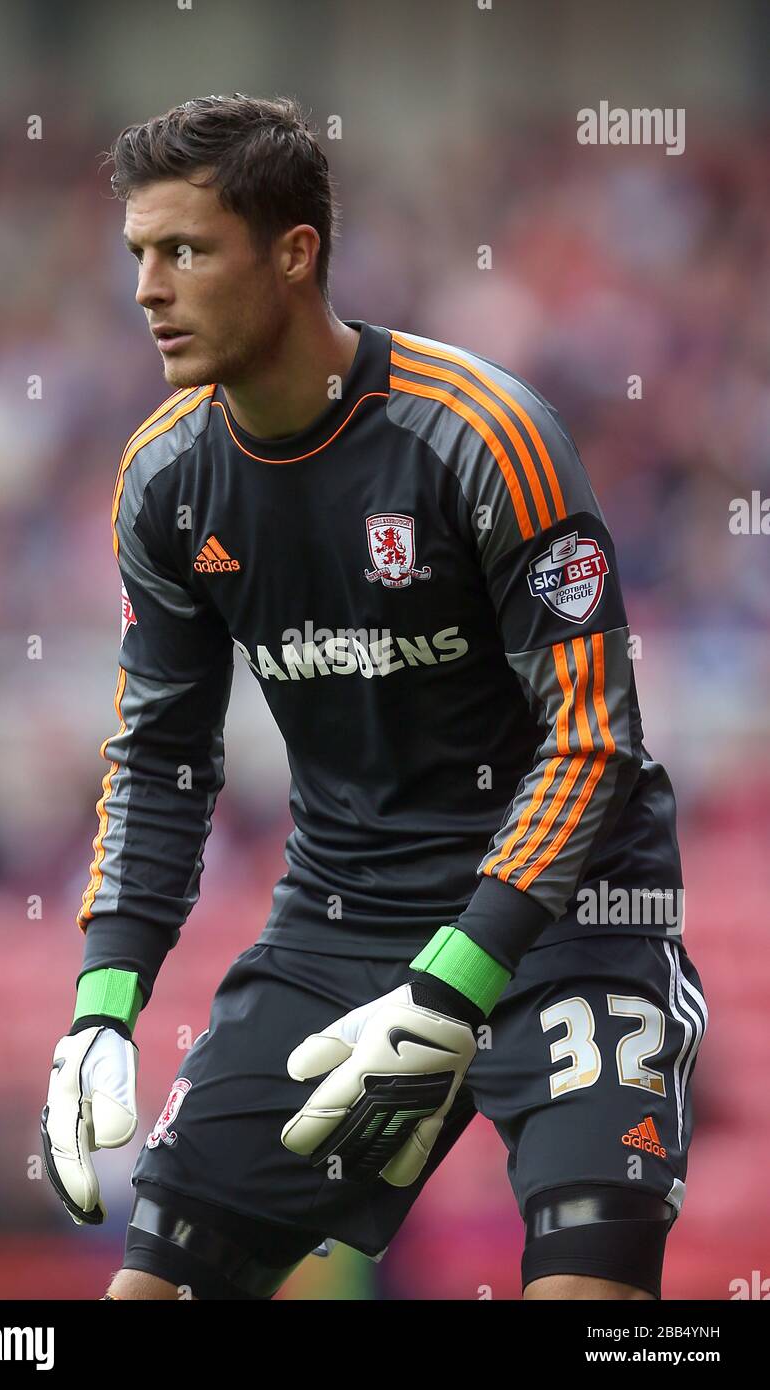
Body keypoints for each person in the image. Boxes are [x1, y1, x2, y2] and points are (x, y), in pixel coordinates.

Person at [41, 94, 707, 1301]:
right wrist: (102, 1000)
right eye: (138, 253)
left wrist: (459, 977)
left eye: (185, 250)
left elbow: (595, 741)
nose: (148, 288)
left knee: (593, 1293)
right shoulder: (164, 481)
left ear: (295, 253)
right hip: (341, 923)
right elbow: (161, 761)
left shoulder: (484, 436)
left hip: (564, 926)